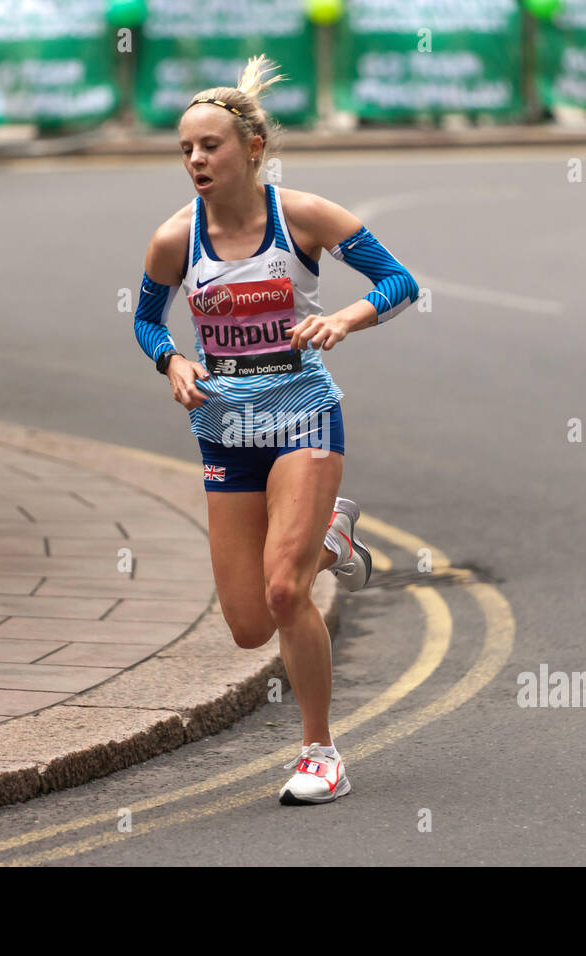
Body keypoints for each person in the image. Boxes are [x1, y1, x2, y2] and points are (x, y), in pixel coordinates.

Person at [132, 55, 418, 805]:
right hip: (224, 429)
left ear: (251, 148)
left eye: (211, 146)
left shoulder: (303, 217)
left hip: (303, 416)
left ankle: (320, 752)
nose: (196, 159)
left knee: (287, 593)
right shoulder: (173, 240)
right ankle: (335, 541)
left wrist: (344, 319)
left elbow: (398, 282)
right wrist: (171, 362)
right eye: (186, 148)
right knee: (250, 626)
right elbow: (144, 318)